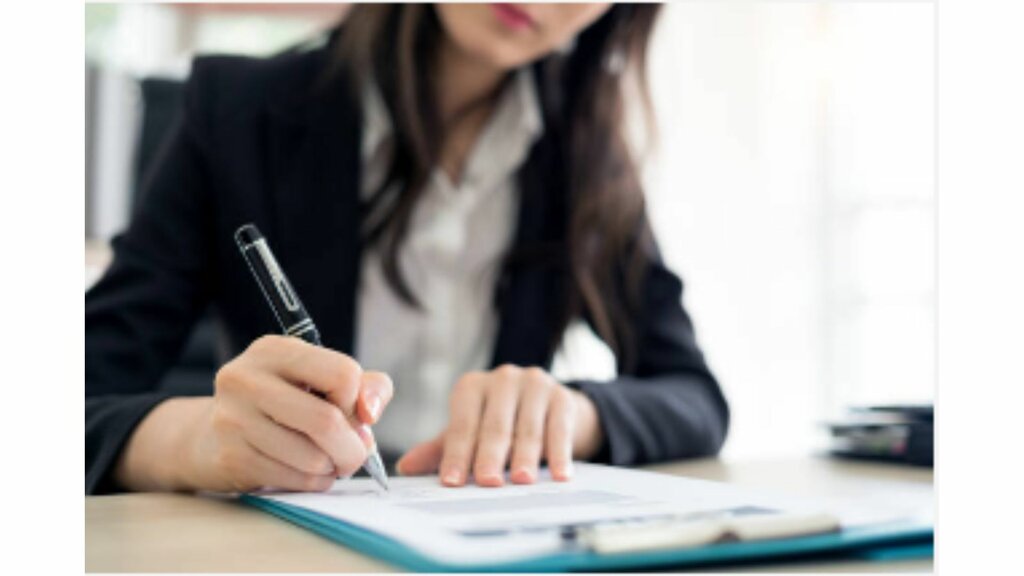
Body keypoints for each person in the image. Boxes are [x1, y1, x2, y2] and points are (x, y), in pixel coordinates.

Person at [85, 3, 729, 495]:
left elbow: (695, 396)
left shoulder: (586, 158)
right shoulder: (235, 112)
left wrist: (574, 414)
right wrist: (195, 439)